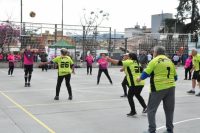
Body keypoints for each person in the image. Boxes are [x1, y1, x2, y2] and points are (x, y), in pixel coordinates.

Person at [137, 46, 177, 133]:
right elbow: (175, 77)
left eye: (153, 52)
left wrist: (139, 78)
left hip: (158, 87)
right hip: (171, 88)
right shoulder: (170, 61)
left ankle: (151, 130)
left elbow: (145, 73)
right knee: (169, 110)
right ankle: (169, 130)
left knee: (151, 109)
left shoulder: (154, 61)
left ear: (156, 52)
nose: (153, 53)